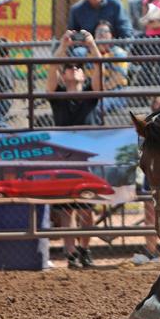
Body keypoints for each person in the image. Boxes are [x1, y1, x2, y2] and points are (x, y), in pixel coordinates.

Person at [46, 31, 104, 268]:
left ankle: (85, 250)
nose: (74, 69)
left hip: (86, 157)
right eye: (69, 67)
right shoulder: (58, 95)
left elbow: (99, 68)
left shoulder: (90, 93)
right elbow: (51, 71)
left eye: (78, 66)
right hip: (64, 157)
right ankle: (70, 254)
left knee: (87, 208)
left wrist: (92, 45)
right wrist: (63, 46)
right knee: (66, 209)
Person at [67, 0, 134, 39]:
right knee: (77, 47)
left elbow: (125, 30)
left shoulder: (115, 4)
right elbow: (73, 35)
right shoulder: (77, 10)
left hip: (113, 43)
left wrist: (122, 45)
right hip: (87, 44)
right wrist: (86, 38)